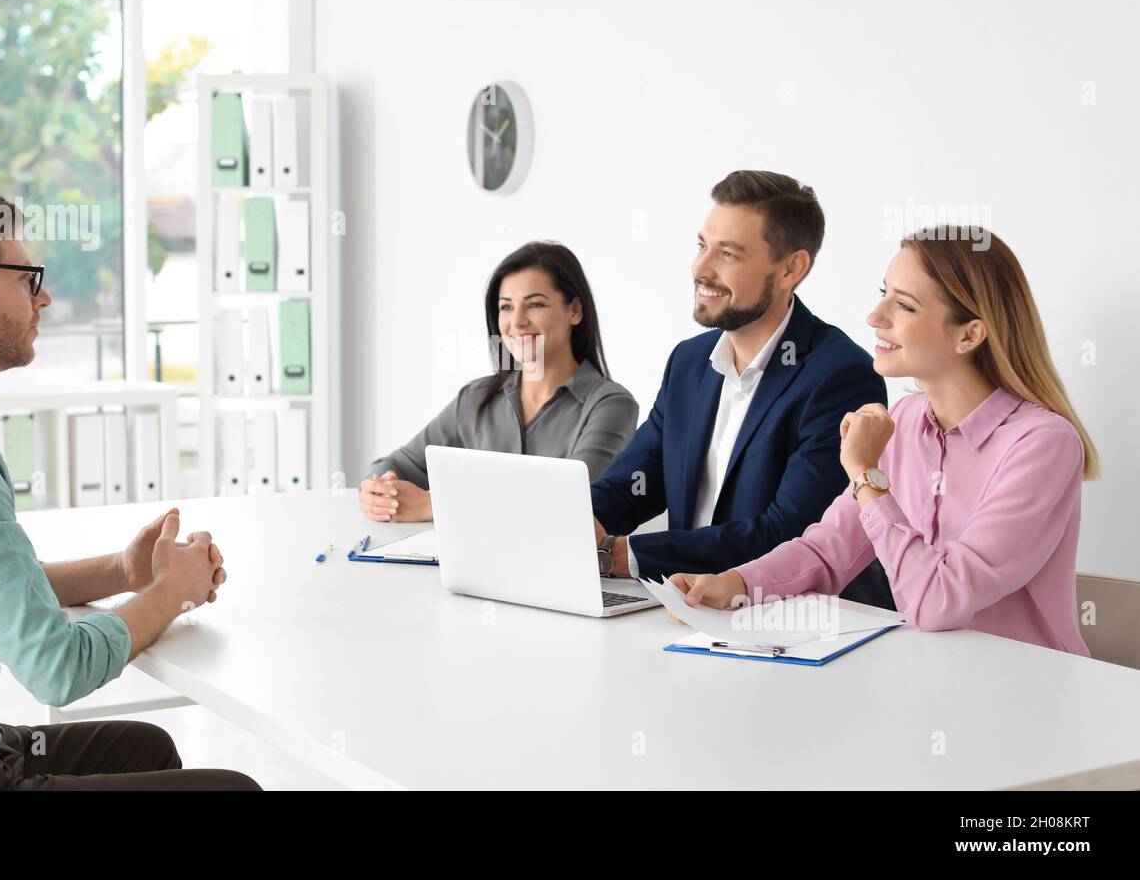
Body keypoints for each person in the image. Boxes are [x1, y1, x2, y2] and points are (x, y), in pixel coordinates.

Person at [0, 185, 259, 789]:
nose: (46, 297)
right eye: (25, 277)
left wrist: (122, 571)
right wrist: (173, 592)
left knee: (144, 745)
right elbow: (58, 668)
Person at [672, 227, 1097, 656]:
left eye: (905, 306)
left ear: (969, 335)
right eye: (884, 293)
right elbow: (827, 552)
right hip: (929, 677)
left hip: (1027, 688)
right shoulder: (905, 421)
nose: (875, 316)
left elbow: (938, 601)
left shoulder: (1043, 444)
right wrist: (736, 584)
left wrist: (864, 474)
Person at [589, 170, 892, 607]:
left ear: (791, 268)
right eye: (701, 246)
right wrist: (580, 523)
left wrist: (622, 555)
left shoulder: (840, 375)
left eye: (727, 254)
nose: (700, 268)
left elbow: (786, 533)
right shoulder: (689, 363)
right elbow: (636, 482)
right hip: (688, 610)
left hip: (786, 624)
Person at [360, 241, 638, 523]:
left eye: (535, 304)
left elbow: (567, 501)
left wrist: (434, 505)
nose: (517, 321)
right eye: (506, 307)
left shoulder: (610, 405)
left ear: (575, 310)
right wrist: (379, 492)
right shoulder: (475, 398)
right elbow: (392, 466)